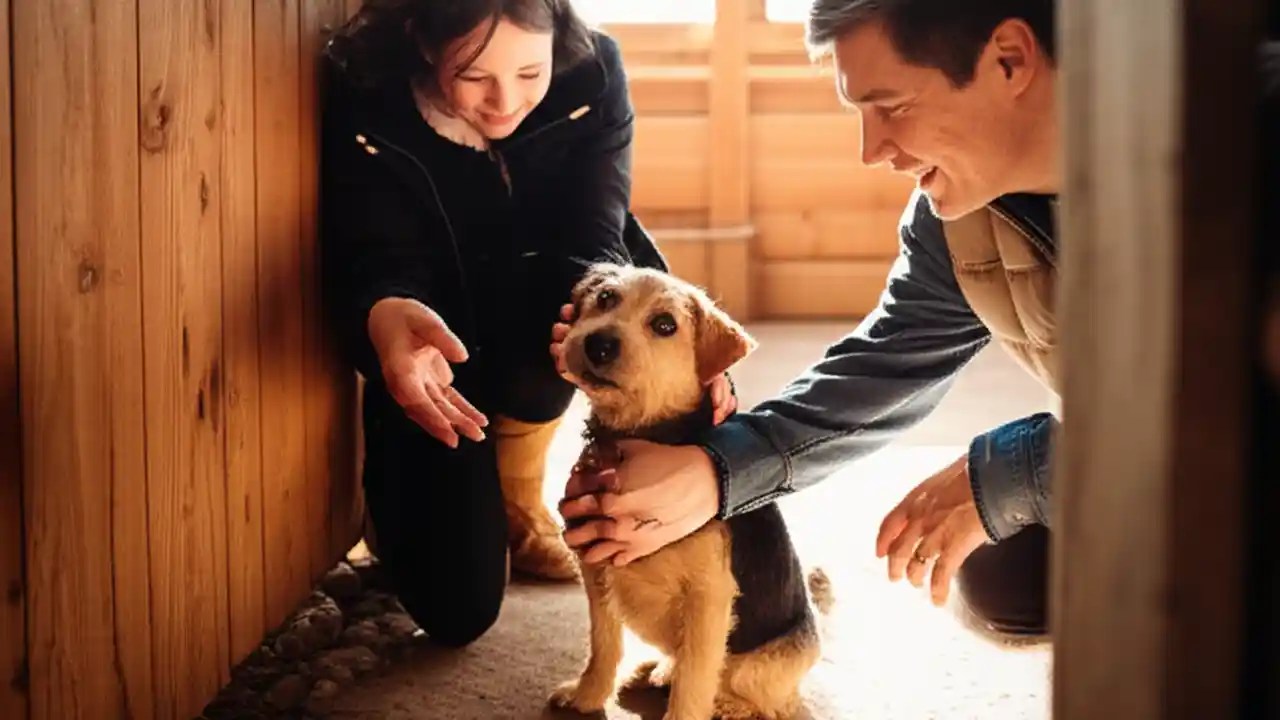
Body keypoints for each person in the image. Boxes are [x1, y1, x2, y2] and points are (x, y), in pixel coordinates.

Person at [555, 0, 1066, 639]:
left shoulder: (1212, 180)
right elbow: (880, 369)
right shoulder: (957, 217)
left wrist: (1013, 469)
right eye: (859, 113)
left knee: (1011, 513)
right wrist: (714, 473)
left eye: (893, 107)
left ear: (1009, 60)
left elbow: (1223, 418)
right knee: (1005, 575)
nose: (871, 150)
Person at [318, 0, 732, 647]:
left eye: (530, 74)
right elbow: (374, 253)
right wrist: (386, 315)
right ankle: (448, 487)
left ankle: (517, 484)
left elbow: (597, 231)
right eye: (474, 76)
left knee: (563, 366)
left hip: (549, 292)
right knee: (458, 611)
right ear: (424, 45)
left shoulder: (594, 70)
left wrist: (642, 344)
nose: (505, 102)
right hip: (434, 340)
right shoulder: (367, 92)